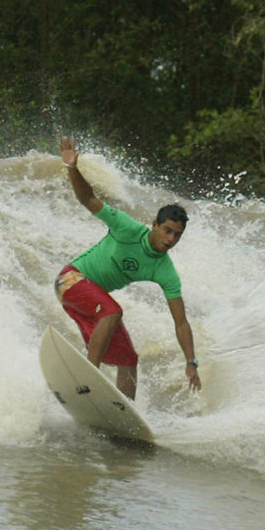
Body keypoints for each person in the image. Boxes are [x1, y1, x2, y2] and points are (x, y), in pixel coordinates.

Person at [55, 136, 201, 399]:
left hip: (93, 298)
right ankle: (88, 375)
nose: (171, 240)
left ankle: (124, 413)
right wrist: (72, 168)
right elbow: (88, 199)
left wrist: (191, 362)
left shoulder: (165, 270)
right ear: (154, 224)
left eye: (177, 235)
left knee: (129, 359)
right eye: (167, 231)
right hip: (71, 280)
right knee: (113, 311)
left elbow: (181, 322)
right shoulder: (127, 227)